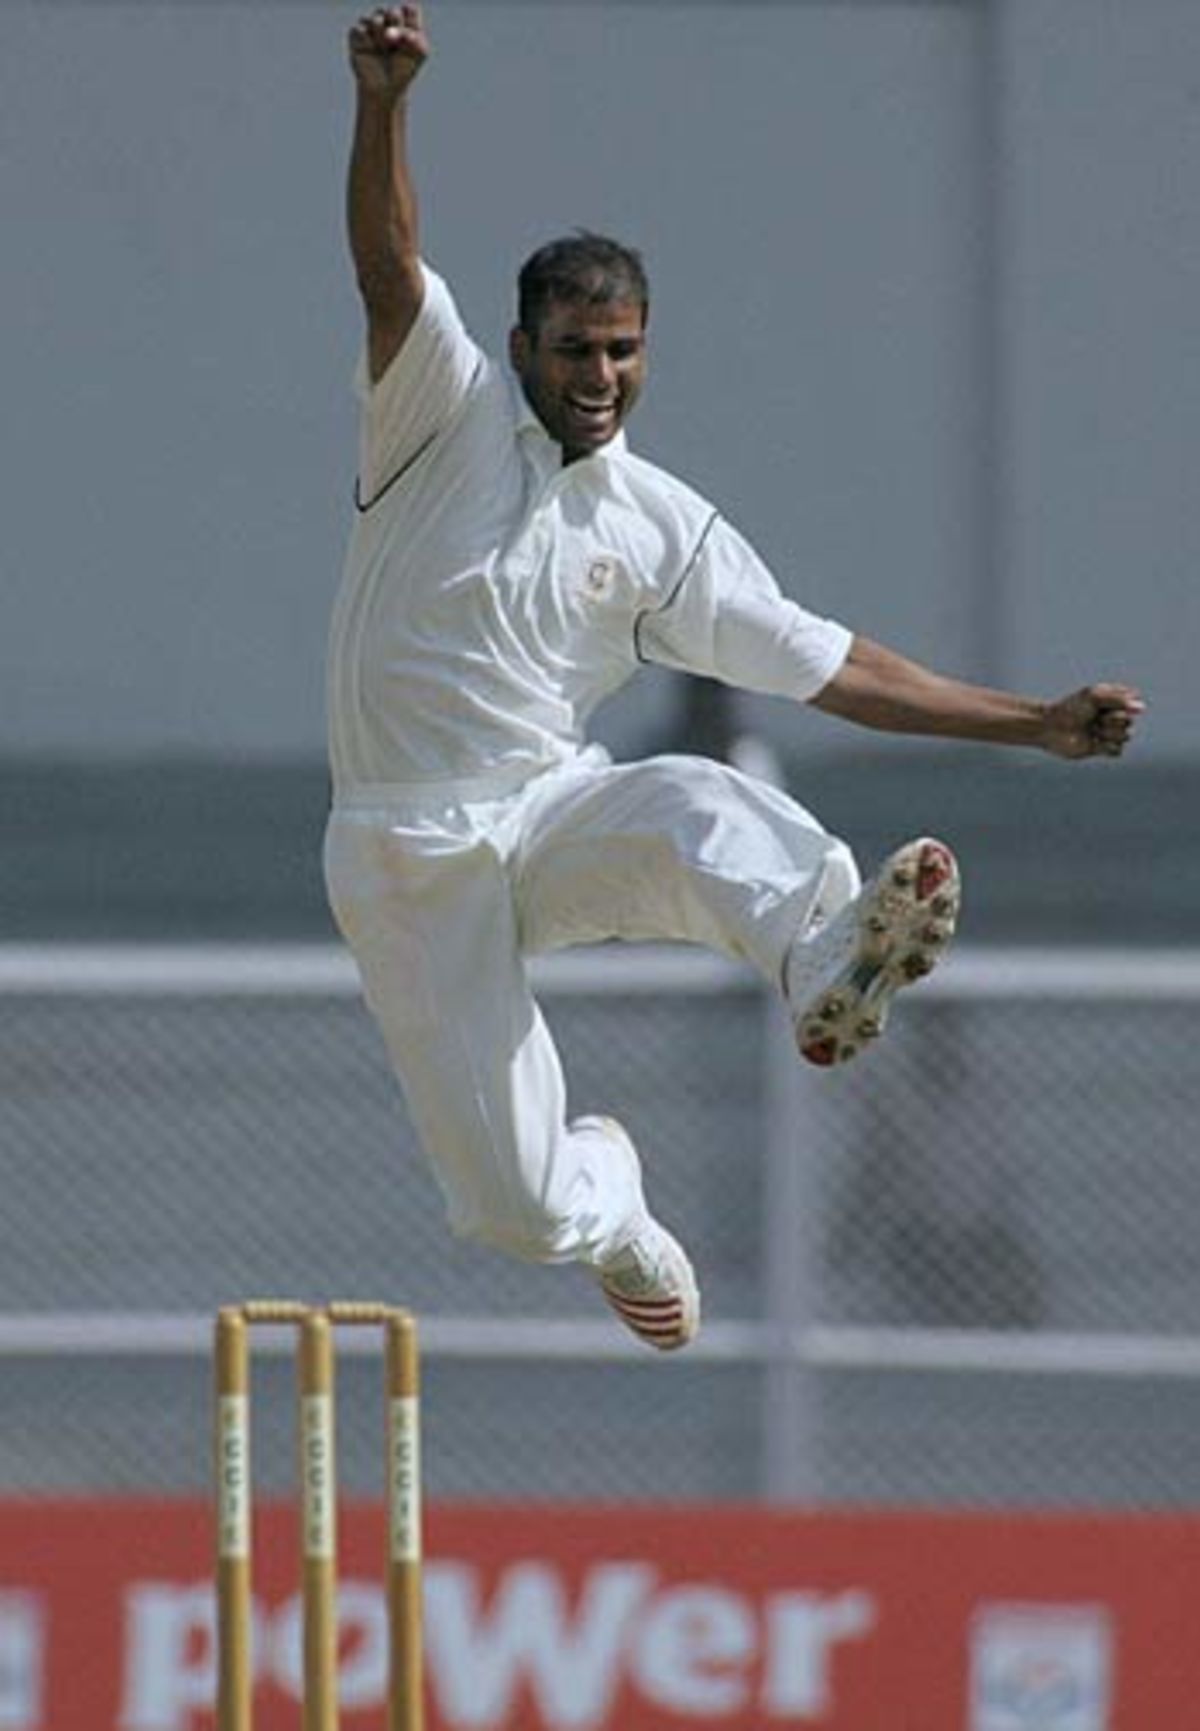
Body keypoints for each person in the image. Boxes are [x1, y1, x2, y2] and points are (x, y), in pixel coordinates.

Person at [324, 5, 1144, 1352]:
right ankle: (616, 1205)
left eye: (625, 350)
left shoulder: (657, 524)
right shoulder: (438, 412)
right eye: (577, 350)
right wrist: (382, 103)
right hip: (408, 853)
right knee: (517, 1211)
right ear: (521, 348)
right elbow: (386, 260)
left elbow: (837, 667)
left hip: (546, 810)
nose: (602, 377)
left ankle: (823, 947)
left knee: (704, 798)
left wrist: (1033, 724)